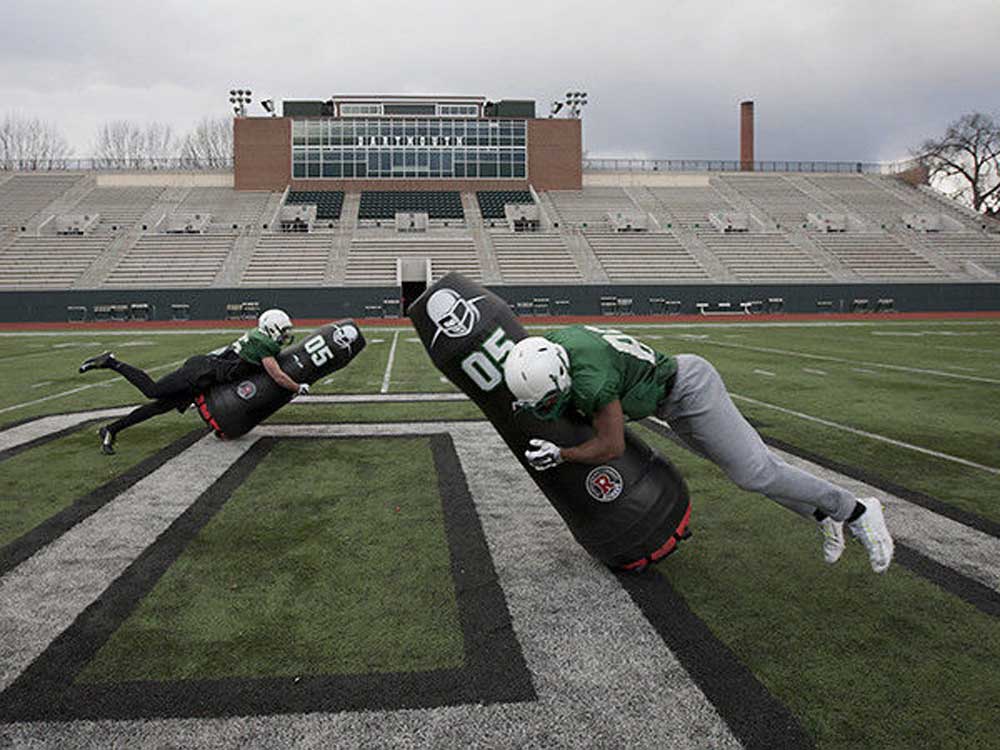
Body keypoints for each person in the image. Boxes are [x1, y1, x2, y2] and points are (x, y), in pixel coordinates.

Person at [502, 325, 894, 573]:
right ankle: (822, 512)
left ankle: (857, 510)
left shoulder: (591, 379)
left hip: (689, 391)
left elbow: (611, 446)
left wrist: (562, 454)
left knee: (754, 472)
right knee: (756, 470)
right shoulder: (550, 345)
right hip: (669, 402)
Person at [78, 308, 310, 455]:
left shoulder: (259, 337)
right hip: (199, 374)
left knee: (157, 408)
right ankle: (111, 362)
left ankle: (111, 430)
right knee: (153, 391)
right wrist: (298, 387)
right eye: (283, 331)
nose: (285, 336)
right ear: (271, 328)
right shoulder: (263, 344)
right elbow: (277, 375)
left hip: (205, 376)